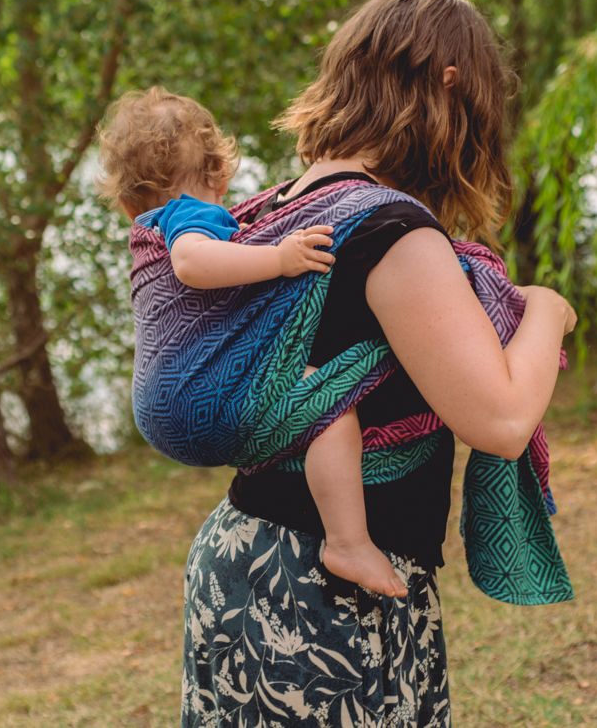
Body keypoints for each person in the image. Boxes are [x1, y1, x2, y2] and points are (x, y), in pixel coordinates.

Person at [178, 0, 576, 726]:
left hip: (241, 562)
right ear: (449, 88)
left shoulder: (282, 206)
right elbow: (500, 420)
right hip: (321, 595)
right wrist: (548, 310)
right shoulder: (396, 234)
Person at [95, 87, 410, 599]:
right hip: (199, 395)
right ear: (221, 172)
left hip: (161, 409)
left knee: (302, 407)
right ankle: (347, 542)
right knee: (330, 408)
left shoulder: (152, 226)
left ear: (128, 203)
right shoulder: (188, 216)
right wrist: (280, 258)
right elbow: (192, 264)